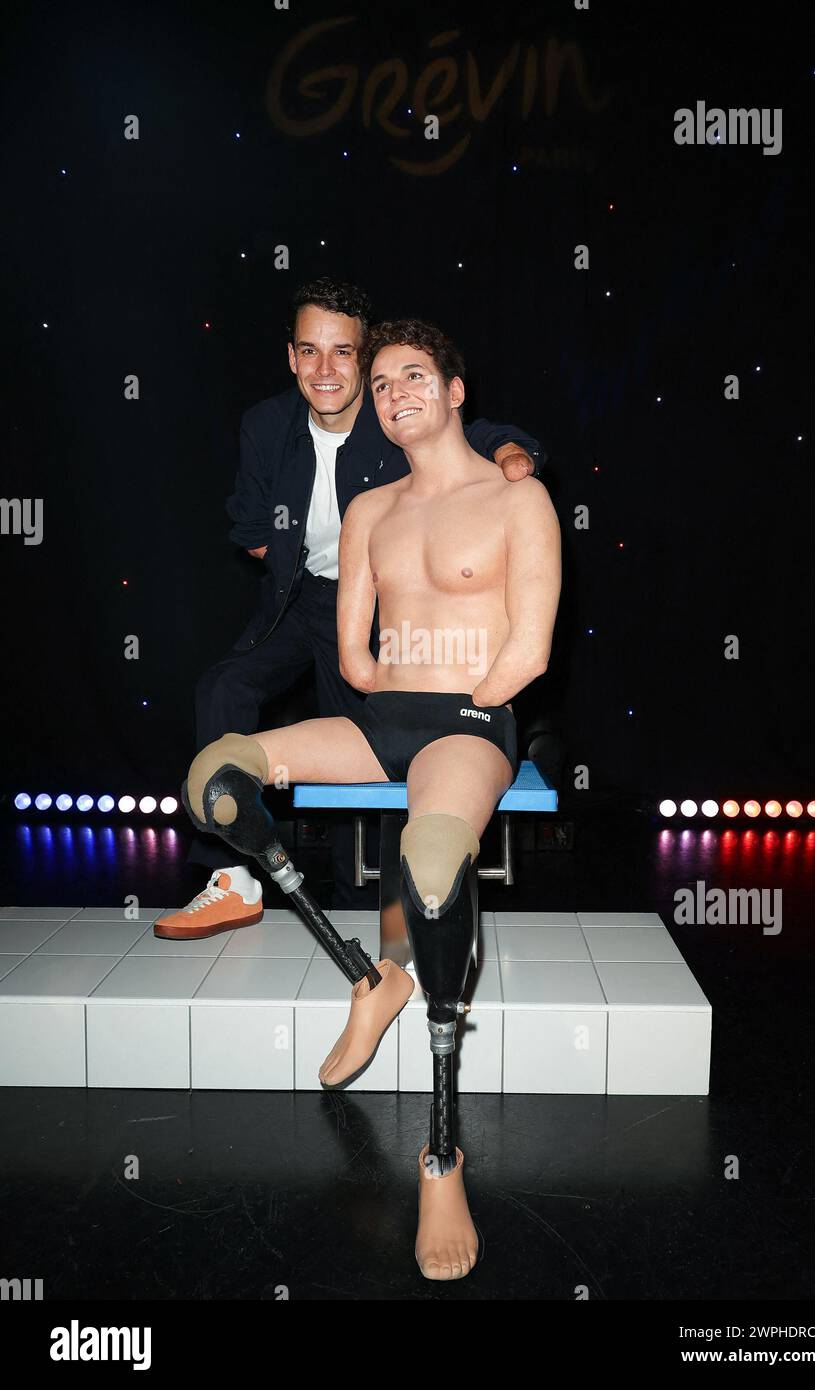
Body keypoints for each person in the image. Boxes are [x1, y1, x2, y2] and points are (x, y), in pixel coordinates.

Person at [181, 319, 561, 1280]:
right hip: (382, 711)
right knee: (216, 780)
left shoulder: (518, 498)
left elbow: (530, 651)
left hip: (474, 718)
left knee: (431, 868)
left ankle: (441, 1155)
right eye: (381, 381)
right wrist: (386, 687)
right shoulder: (370, 512)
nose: (392, 393)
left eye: (412, 376)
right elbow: (350, 652)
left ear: (455, 389)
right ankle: (370, 973)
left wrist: (457, 701)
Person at [156, 279, 546, 936]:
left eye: (343, 352)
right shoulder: (266, 425)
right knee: (223, 687)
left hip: (376, 615)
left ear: (365, 360)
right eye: (310, 351)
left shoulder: (394, 415)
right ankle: (231, 877)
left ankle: (365, 908)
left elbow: (472, 428)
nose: (326, 369)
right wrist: (297, 553)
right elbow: (247, 524)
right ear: (291, 358)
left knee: (369, 735)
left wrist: (515, 453)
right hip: (297, 596)